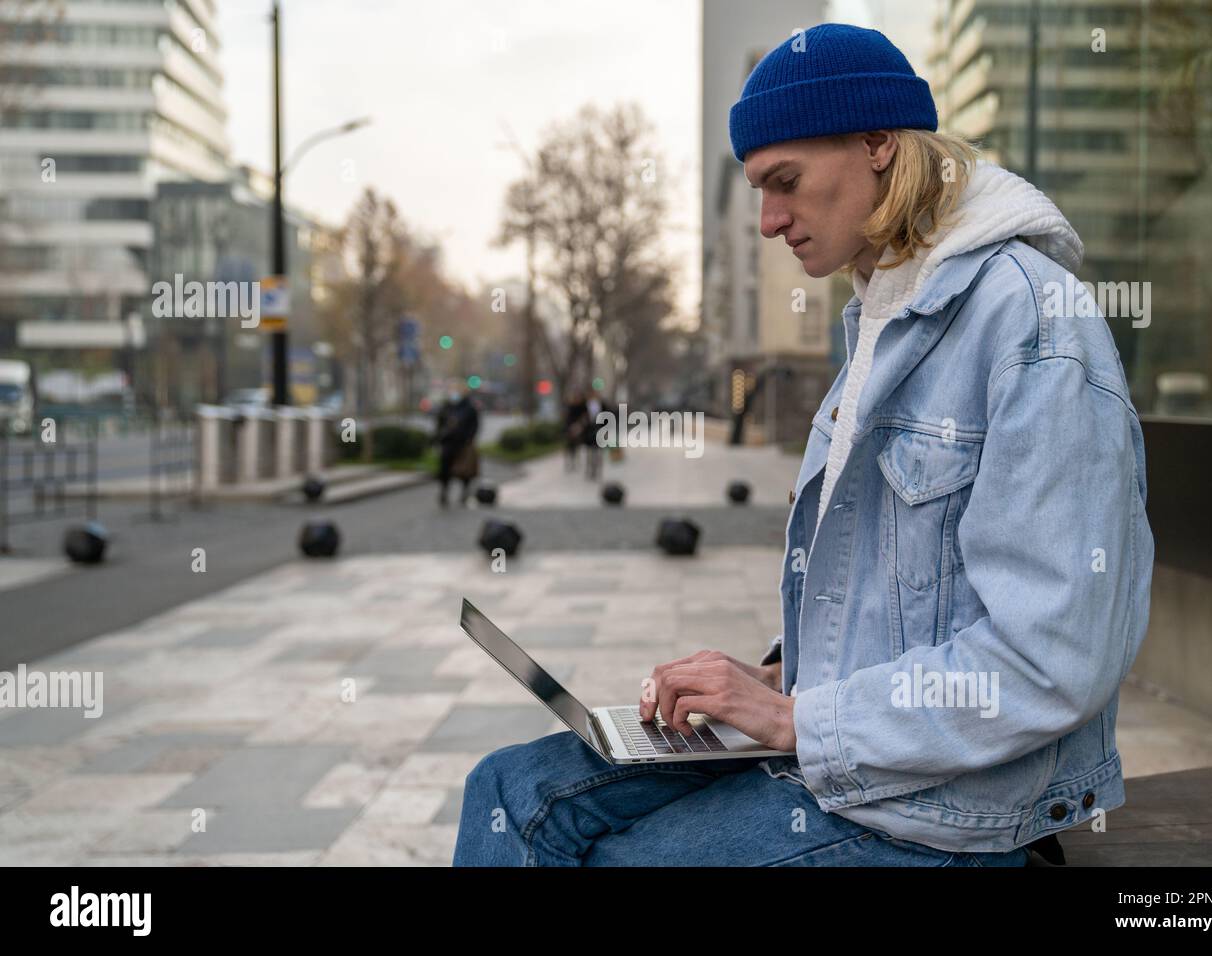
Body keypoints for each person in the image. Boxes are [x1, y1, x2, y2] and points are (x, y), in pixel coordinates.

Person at [454, 23, 1154, 866]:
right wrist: (776, 681)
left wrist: (798, 720)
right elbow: (899, 588)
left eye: (785, 182)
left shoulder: (1033, 325)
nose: (768, 221)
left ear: (878, 143)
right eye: (756, 190)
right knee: (506, 792)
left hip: (954, 812)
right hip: (849, 750)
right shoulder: (880, 316)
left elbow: (1056, 659)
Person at [432, 389, 479, 507]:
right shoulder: (446, 407)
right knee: (445, 468)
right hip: (448, 442)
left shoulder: (469, 408)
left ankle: (464, 492)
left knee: (465, 470)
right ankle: (444, 491)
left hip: (463, 443)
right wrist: (439, 437)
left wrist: (469, 437)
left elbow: (474, 425)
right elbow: (439, 423)